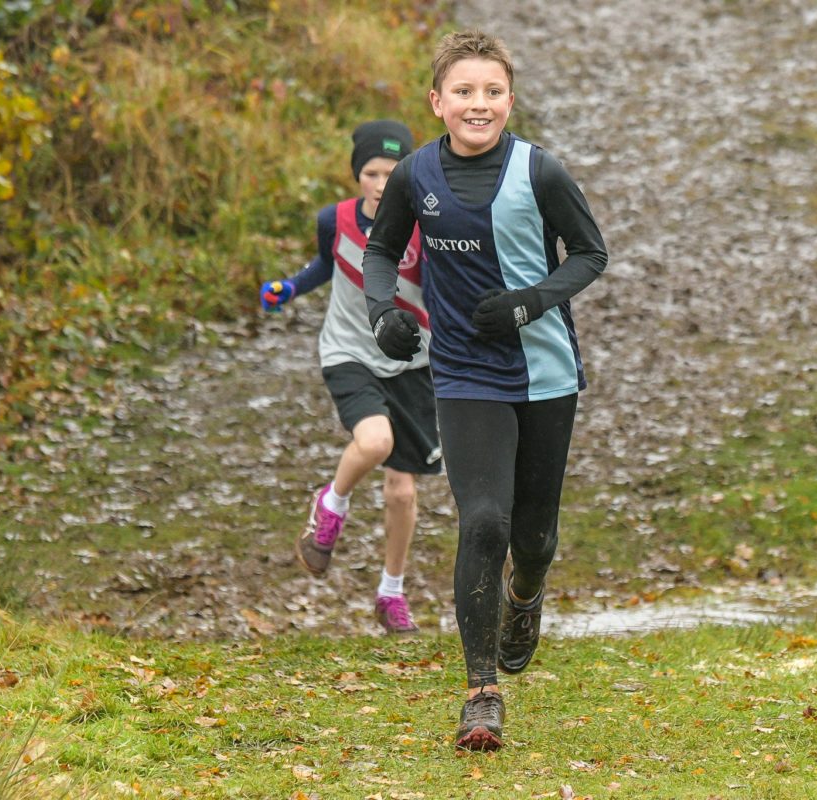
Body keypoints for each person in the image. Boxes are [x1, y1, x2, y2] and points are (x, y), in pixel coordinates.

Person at [361, 30, 608, 751]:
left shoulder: (542, 172)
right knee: (485, 522)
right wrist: (385, 313)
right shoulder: (414, 175)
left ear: (509, 98)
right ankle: (480, 695)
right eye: (464, 92)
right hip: (465, 372)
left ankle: (524, 596)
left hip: (545, 372)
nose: (479, 104)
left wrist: (532, 302)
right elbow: (381, 249)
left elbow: (591, 253)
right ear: (437, 101)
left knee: (532, 540)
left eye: (492, 92)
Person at [259, 120, 441, 635]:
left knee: (403, 493)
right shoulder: (333, 219)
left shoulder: (427, 227)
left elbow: (444, 291)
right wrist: (290, 288)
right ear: (356, 175)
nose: (382, 184)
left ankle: (391, 593)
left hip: (412, 359)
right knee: (375, 440)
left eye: (393, 172)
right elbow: (326, 263)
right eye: (371, 173)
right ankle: (330, 504)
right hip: (349, 351)